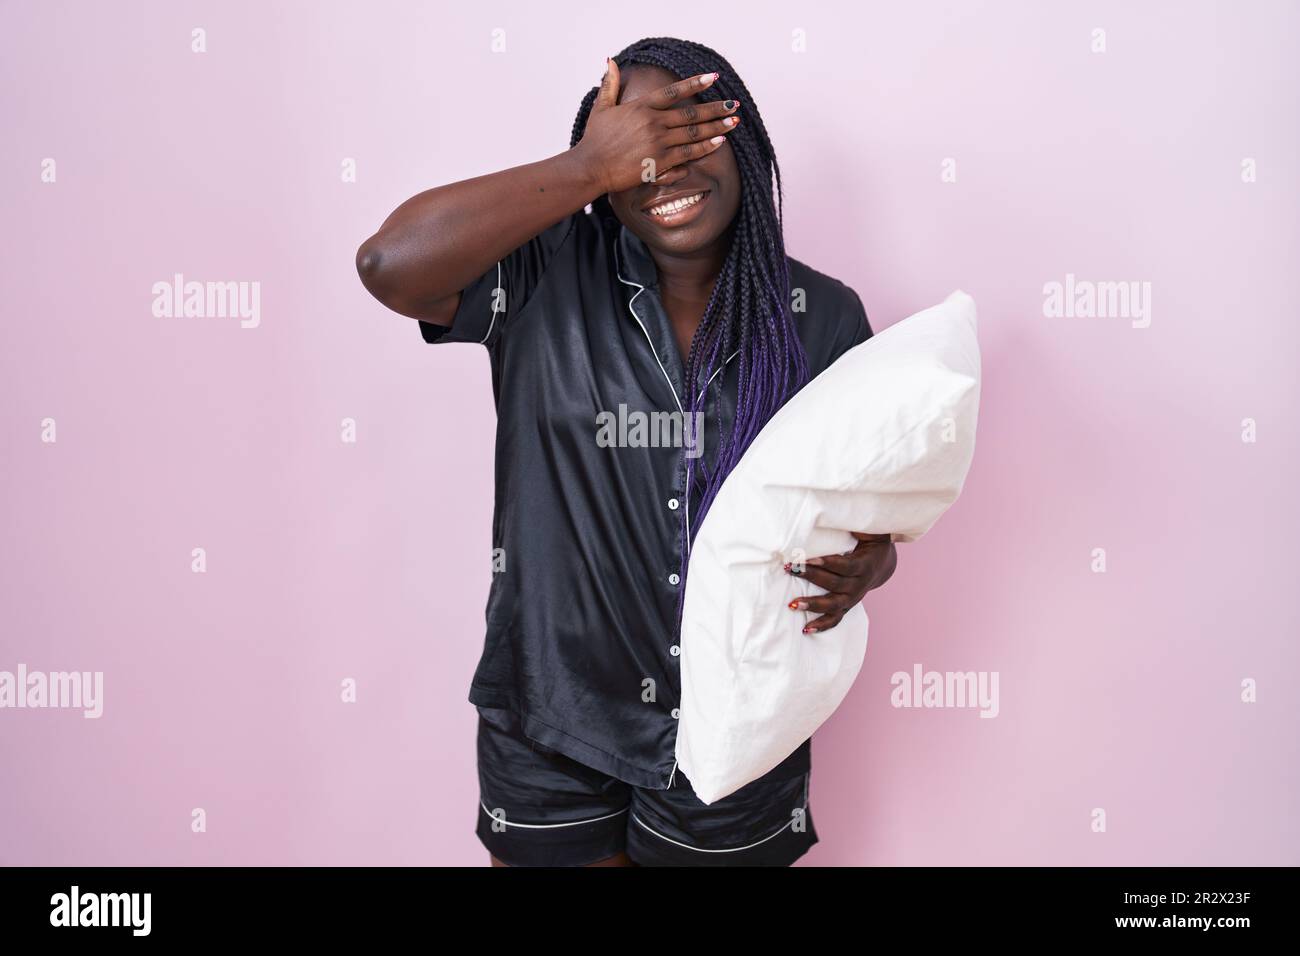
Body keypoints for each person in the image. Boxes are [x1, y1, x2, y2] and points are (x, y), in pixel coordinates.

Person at [356, 37, 897, 867]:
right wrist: (585, 170)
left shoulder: (819, 316)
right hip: (552, 712)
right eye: (641, 146)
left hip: (737, 729)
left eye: (691, 136)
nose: (666, 168)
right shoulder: (540, 273)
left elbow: (869, 521)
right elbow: (389, 265)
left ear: (744, 143)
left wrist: (872, 564)